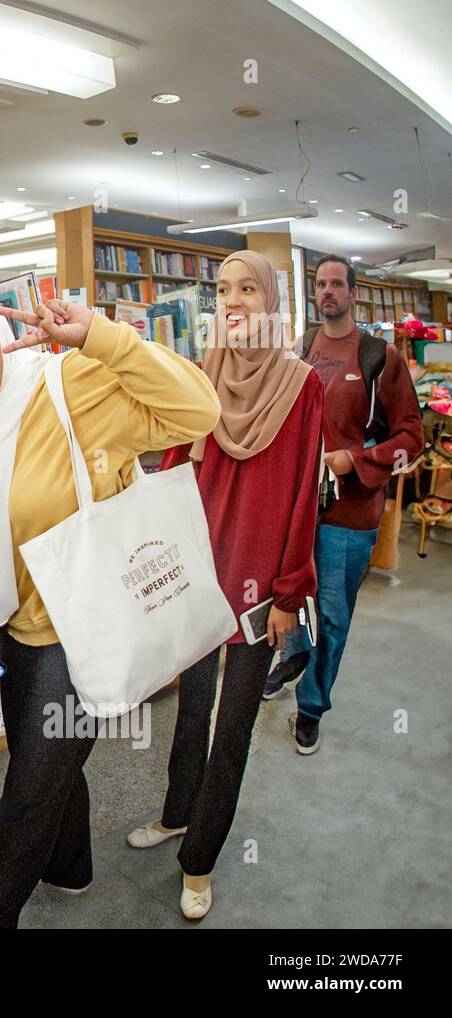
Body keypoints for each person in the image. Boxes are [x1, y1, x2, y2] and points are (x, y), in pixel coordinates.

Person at [0, 279, 220, 929]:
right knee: (43, 762)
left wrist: (103, 339)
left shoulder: (67, 384)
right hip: (9, 628)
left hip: (79, 631)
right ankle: (69, 864)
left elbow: (198, 413)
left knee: (25, 796)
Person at [127, 251, 324, 920]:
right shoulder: (201, 375)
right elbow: (177, 460)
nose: (234, 299)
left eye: (247, 288)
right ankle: (180, 813)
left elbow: (304, 495)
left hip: (259, 584)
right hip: (195, 571)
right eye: (224, 288)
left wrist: (292, 594)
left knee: (234, 723)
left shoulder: (301, 385)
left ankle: (201, 860)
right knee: (192, 704)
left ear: (269, 300)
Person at [262, 255, 422, 754]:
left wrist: (355, 460)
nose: (327, 291)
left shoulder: (380, 357)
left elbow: (410, 438)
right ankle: (293, 657)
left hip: (348, 516)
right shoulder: (303, 347)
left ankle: (311, 707)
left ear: (353, 293)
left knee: (332, 614)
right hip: (298, 505)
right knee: (289, 597)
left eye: (336, 284)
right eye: (320, 284)